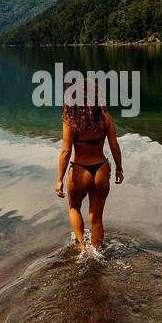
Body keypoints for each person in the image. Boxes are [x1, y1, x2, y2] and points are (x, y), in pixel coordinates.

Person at [54, 82, 123, 250]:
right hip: (100, 169)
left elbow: (65, 151)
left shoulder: (71, 121)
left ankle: (82, 247)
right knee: (96, 219)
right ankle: (97, 253)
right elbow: (114, 146)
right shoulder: (105, 118)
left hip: (79, 170)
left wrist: (59, 180)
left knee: (74, 207)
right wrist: (119, 168)